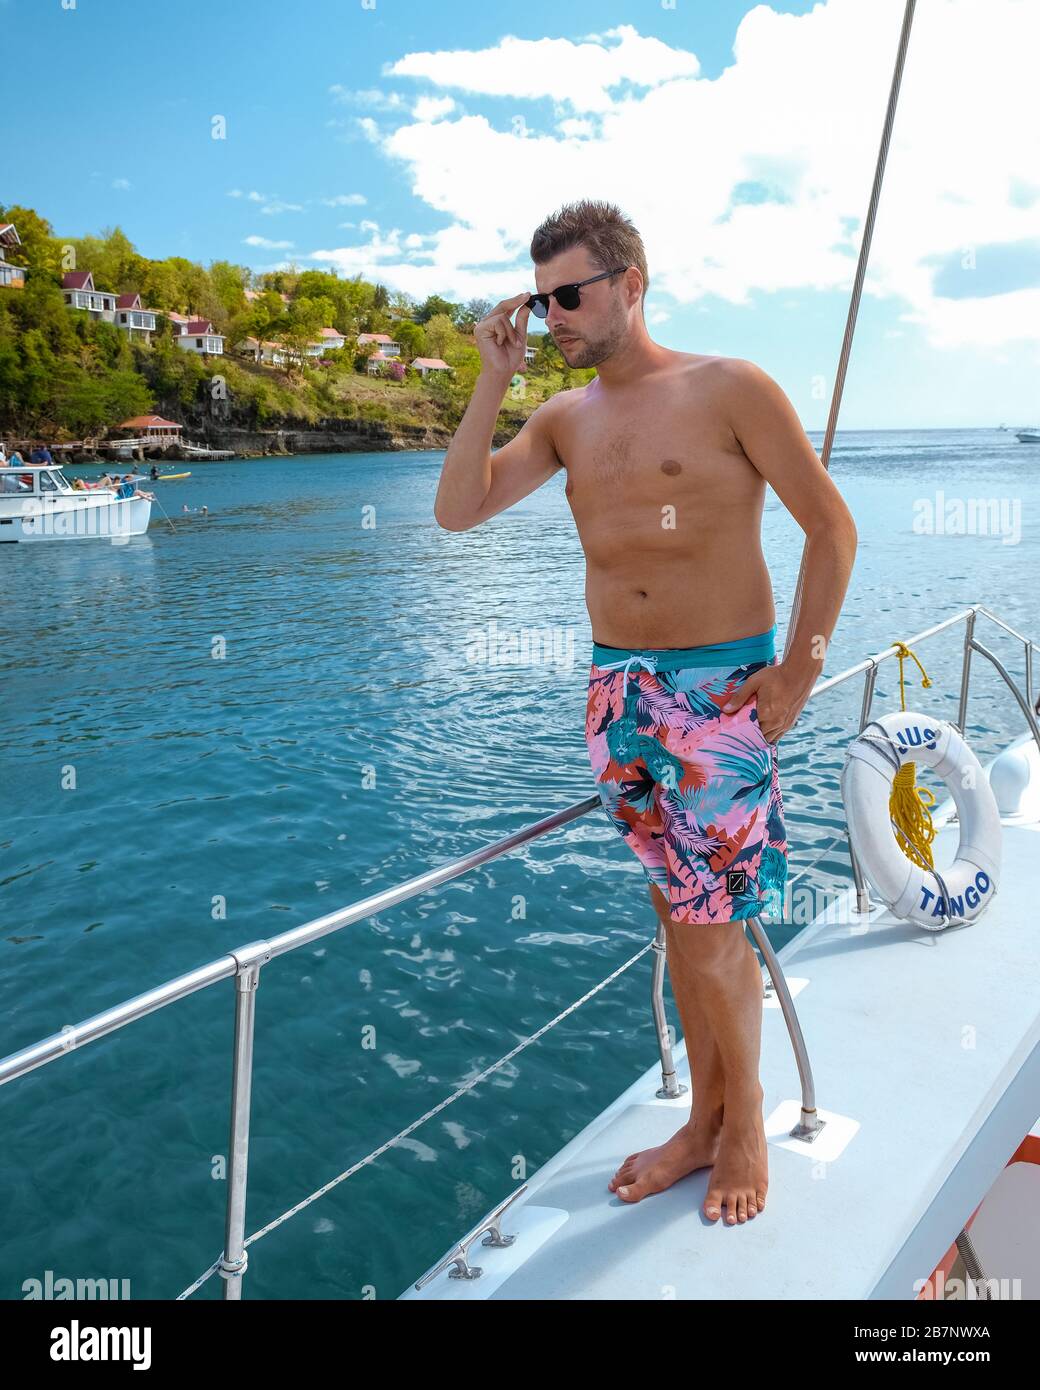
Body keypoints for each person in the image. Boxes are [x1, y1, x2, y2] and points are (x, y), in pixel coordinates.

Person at [433, 200, 857, 1228]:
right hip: (616, 695)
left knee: (716, 932)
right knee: (680, 918)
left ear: (630, 283)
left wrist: (795, 674)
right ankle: (704, 1119)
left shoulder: (727, 388)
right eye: (540, 299)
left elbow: (829, 528)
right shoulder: (564, 418)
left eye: (568, 294)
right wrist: (492, 378)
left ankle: (739, 1125)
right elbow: (457, 509)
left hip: (717, 692)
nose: (553, 315)